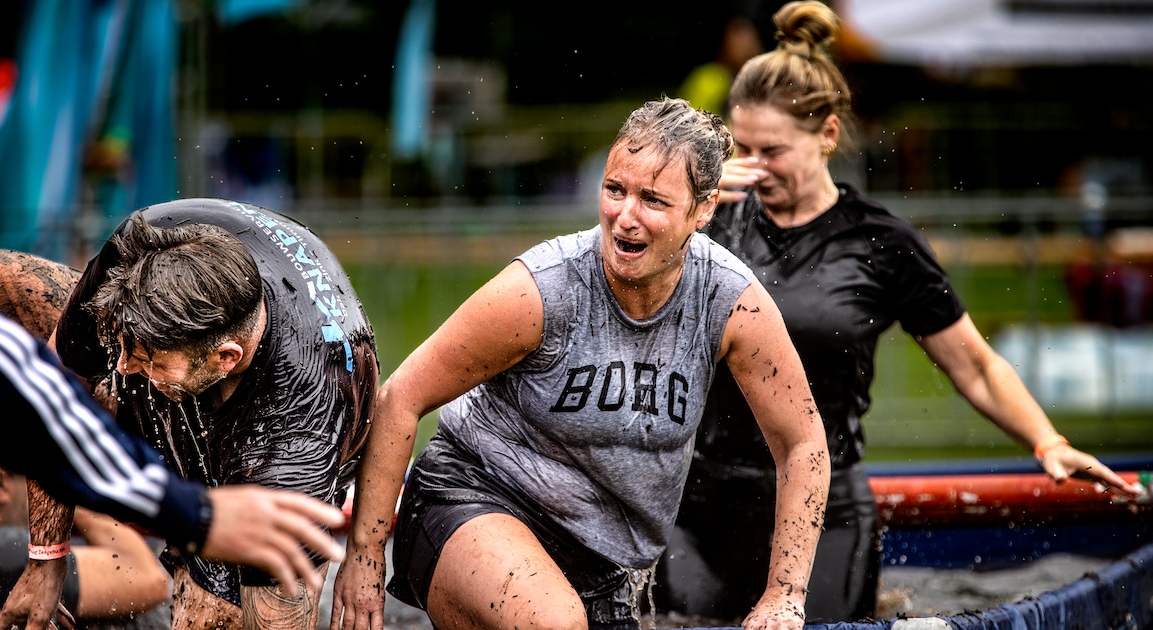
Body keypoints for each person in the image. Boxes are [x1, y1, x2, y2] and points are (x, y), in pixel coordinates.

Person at [655, 1, 1145, 624]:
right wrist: (681, 200)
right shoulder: (706, 220)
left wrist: (1047, 440)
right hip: (701, 506)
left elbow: (975, 364)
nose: (752, 167)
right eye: (739, 147)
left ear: (827, 135)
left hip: (826, 513)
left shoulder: (880, 243)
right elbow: (610, 282)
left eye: (771, 150)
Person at [329, 97, 830, 630]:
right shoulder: (543, 290)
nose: (626, 217)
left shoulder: (732, 301)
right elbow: (401, 396)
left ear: (703, 210)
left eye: (654, 201)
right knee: (555, 623)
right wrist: (363, 558)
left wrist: (784, 595)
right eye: (615, 190)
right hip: (472, 498)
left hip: (606, 563)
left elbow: (802, 443)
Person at [43, 198, 380, 629]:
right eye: (127, 348)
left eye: (149, 360)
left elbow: (278, 619)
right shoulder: (142, 246)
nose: (124, 366)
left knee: (215, 614)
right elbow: (51, 396)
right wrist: (46, 560)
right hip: (194, 357)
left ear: (226, 358)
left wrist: (366, 550)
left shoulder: (290, 451)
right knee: (1, 291)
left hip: (271, 438)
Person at [0, 280, 348, 630]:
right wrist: (84, 495)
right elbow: (148, 579)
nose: (123, 367)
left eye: (145, 360)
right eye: (28, 471)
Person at [0, 445, 171, 629]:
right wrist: (62, 491)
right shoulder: (4, 551)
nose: (34, 486)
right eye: (30, 474)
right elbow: (148, 578)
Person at [677, 15, 763, 117]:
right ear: (724, 43)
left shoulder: (763, 81)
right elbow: (691, 122)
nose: (747, 47)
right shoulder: (707, 79)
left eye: (751, 40)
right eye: (739, 39)